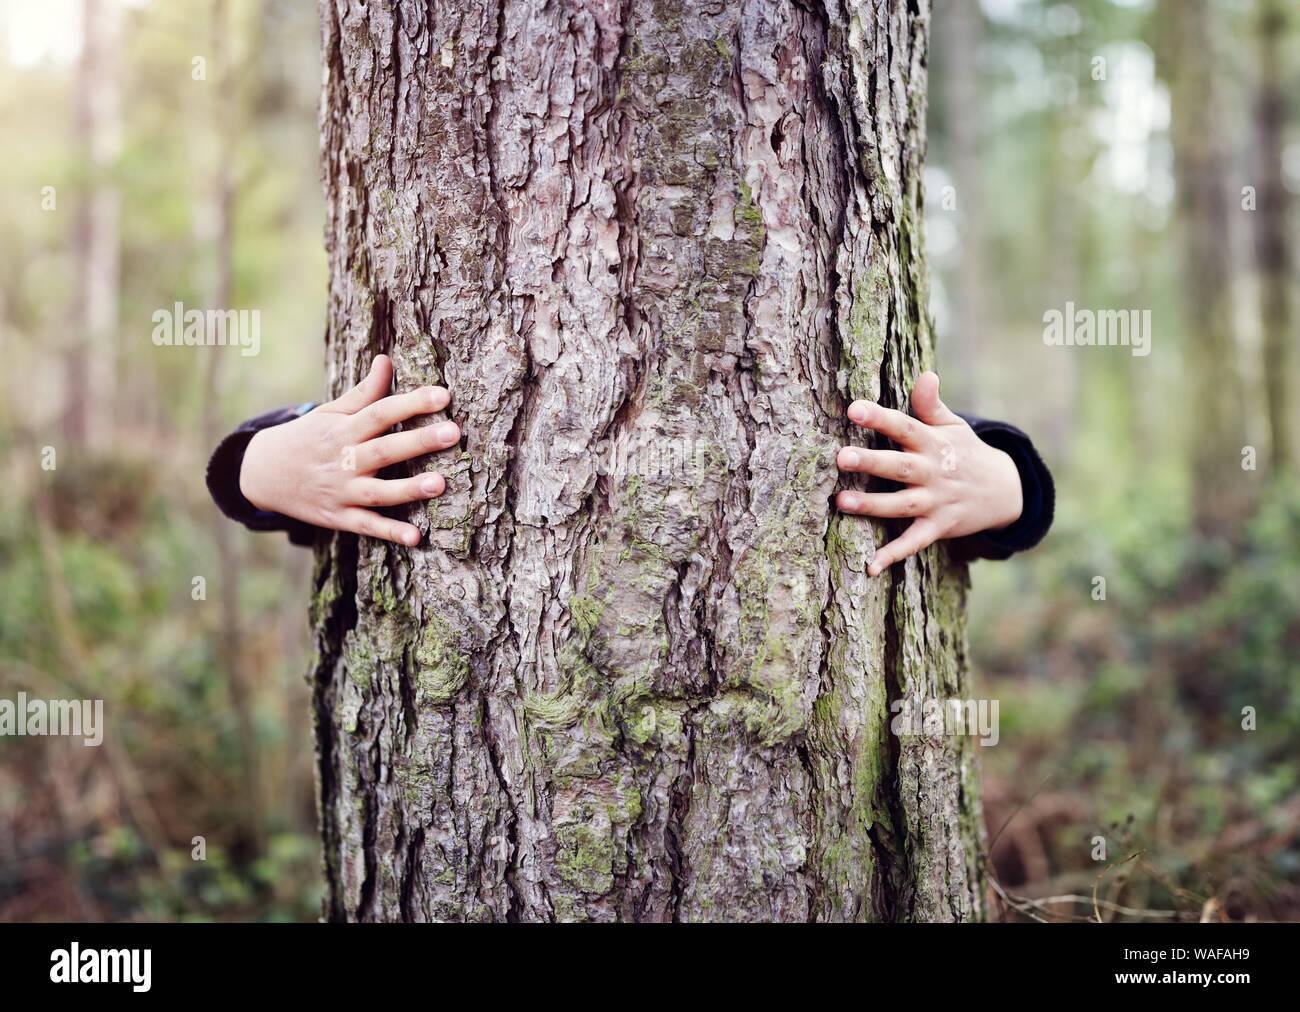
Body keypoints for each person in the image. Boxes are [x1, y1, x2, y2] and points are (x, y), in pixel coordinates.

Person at [207, 355, 1053, 571]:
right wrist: (259, 467)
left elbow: (1019, 479)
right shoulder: (354, 443)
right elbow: (242, 465)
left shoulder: (900, 437)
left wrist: (1007, 485)